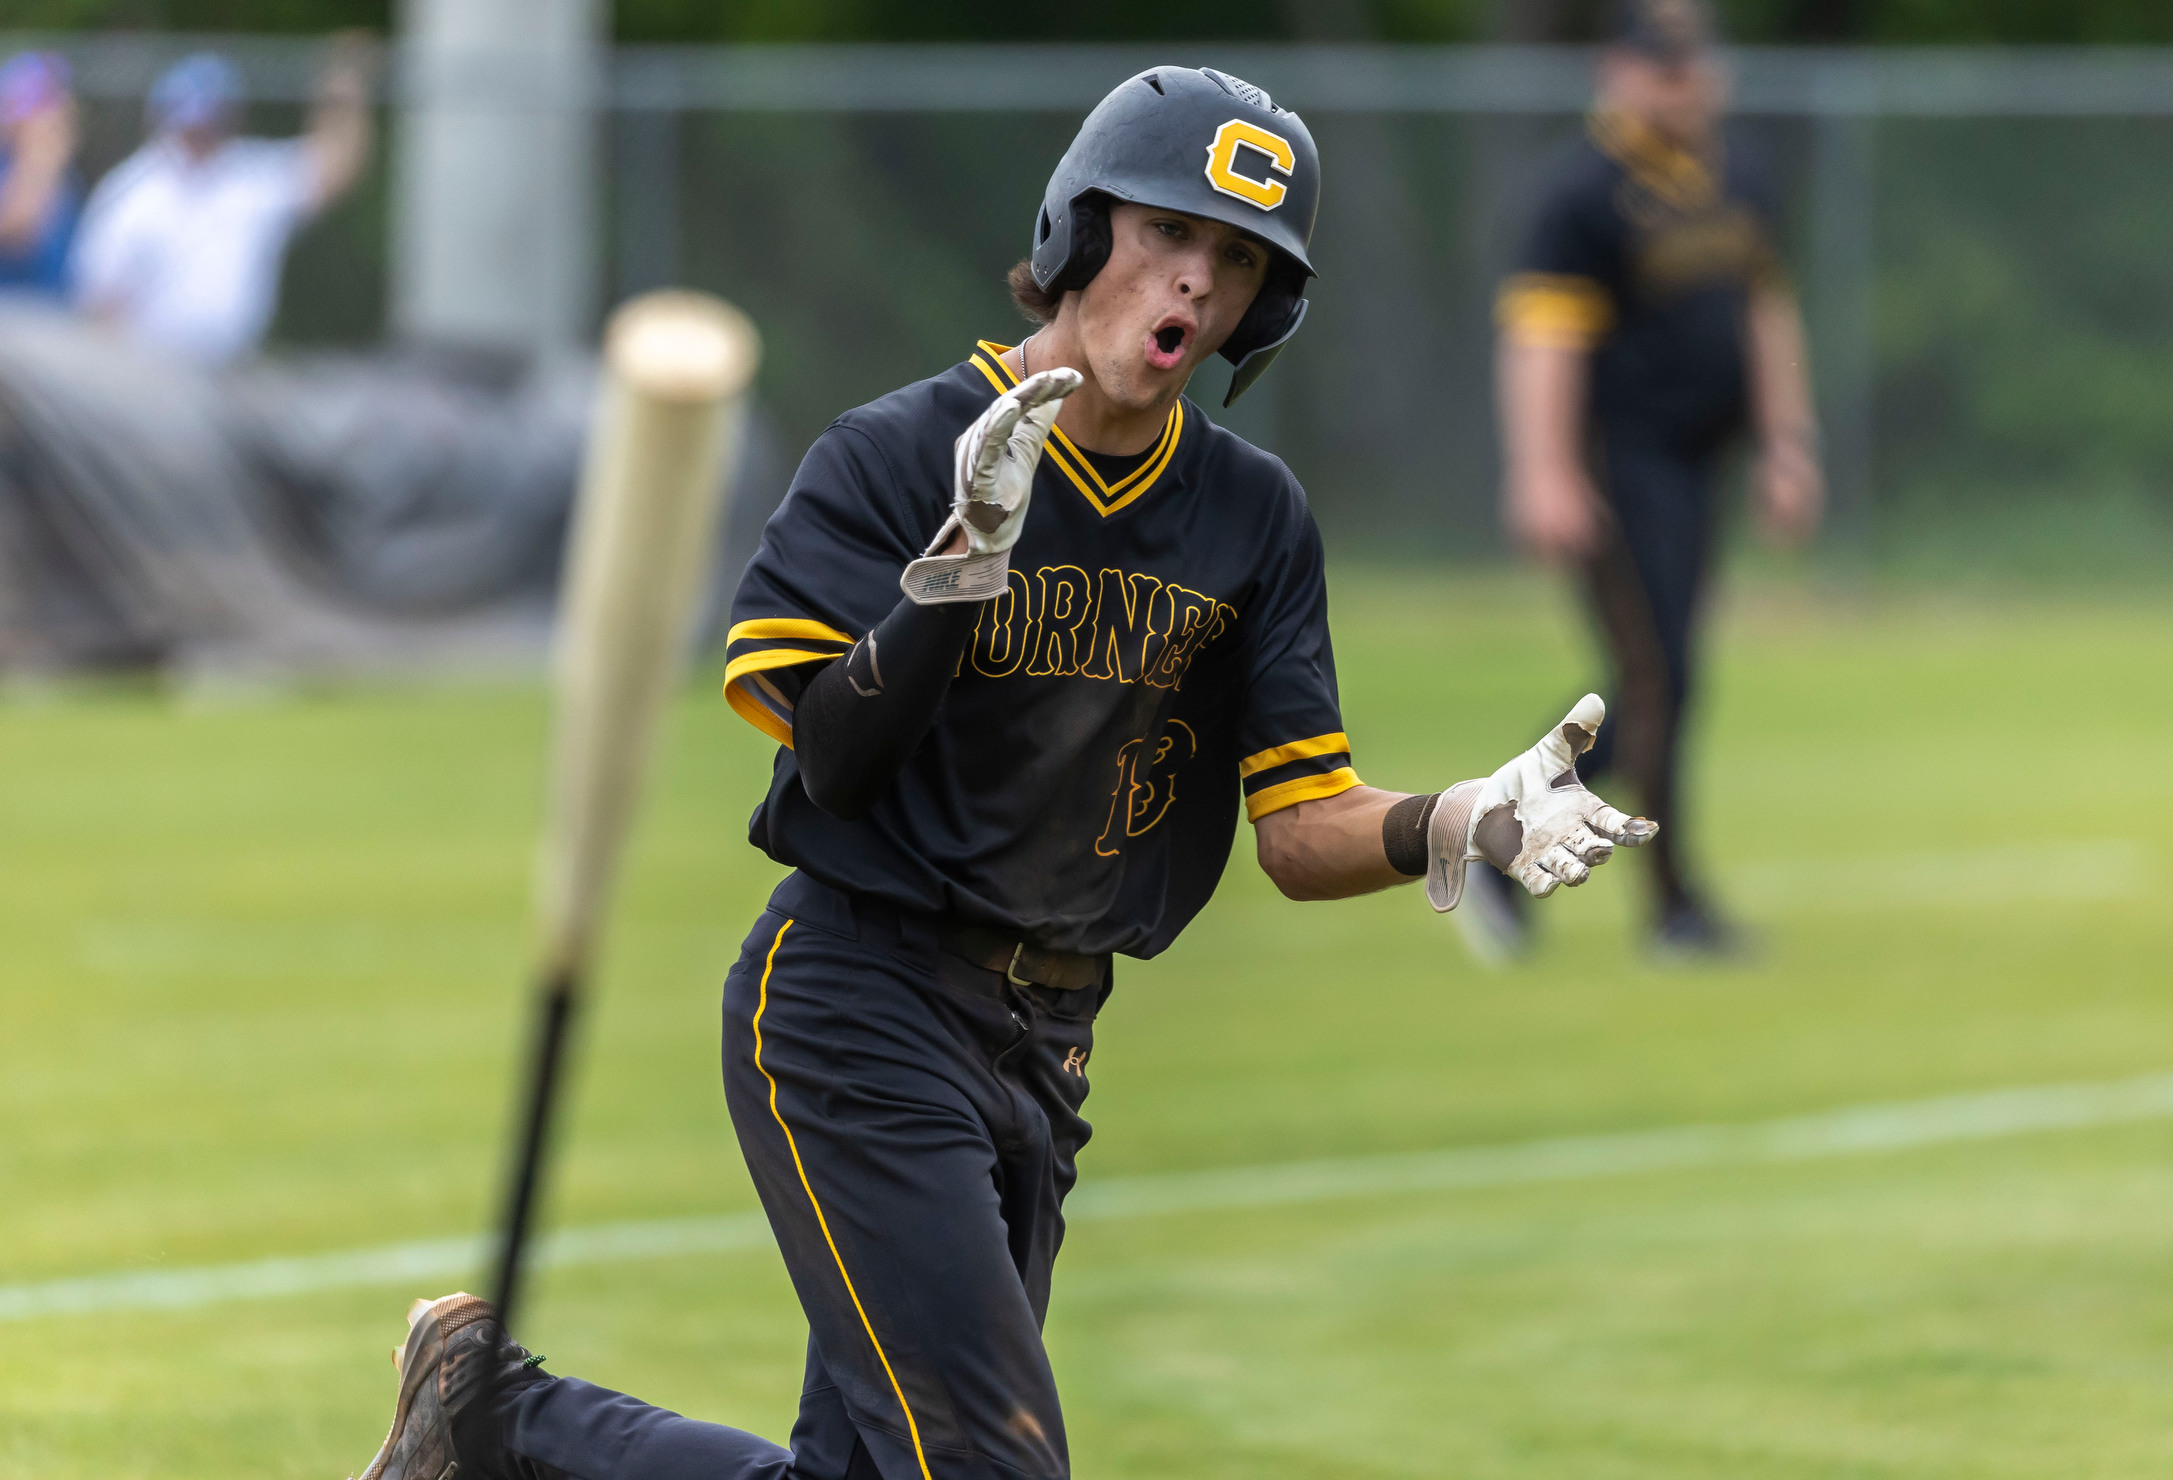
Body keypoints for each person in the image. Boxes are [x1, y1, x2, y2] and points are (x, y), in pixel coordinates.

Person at [349, 66, 1657, 1480]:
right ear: (1082, 232)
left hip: (1049, 1048)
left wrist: (1458, 817)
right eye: (1169, 232)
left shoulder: (1248, 515)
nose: (1194, 286)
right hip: (856, 1009)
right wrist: (952, 578)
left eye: (1236, 265)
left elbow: (1297, 826)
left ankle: (487, 1418)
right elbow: (834, 762)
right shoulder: (895, 454)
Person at [1491, 0, 1822, 959]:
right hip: (1616, 463)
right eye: (1661, 63)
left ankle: (1494, 839)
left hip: (1698, 464)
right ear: (1617, 70)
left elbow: (1765, 312)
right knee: (1660, 675)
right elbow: (1541, 339)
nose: (1683, 80)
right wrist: (1544, 470)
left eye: (1694, 61)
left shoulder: (1737, 175)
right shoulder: (1583, 191)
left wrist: (1788, 441)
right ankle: (1671, 906)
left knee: (1665, 676)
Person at [69, 40, 372, 365]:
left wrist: (343, 91)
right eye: (191, 125)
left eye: (212, 123)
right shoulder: (131, 191)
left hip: (232, 371)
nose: (201, 136)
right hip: (150, 374)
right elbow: (97, 304)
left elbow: (332, 170)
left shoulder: (248, 175)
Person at [0, 51, 79, 297]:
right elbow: (18, 235)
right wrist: (40, 159)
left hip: (49, 317)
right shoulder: (36, 164)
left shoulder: (64, 174)